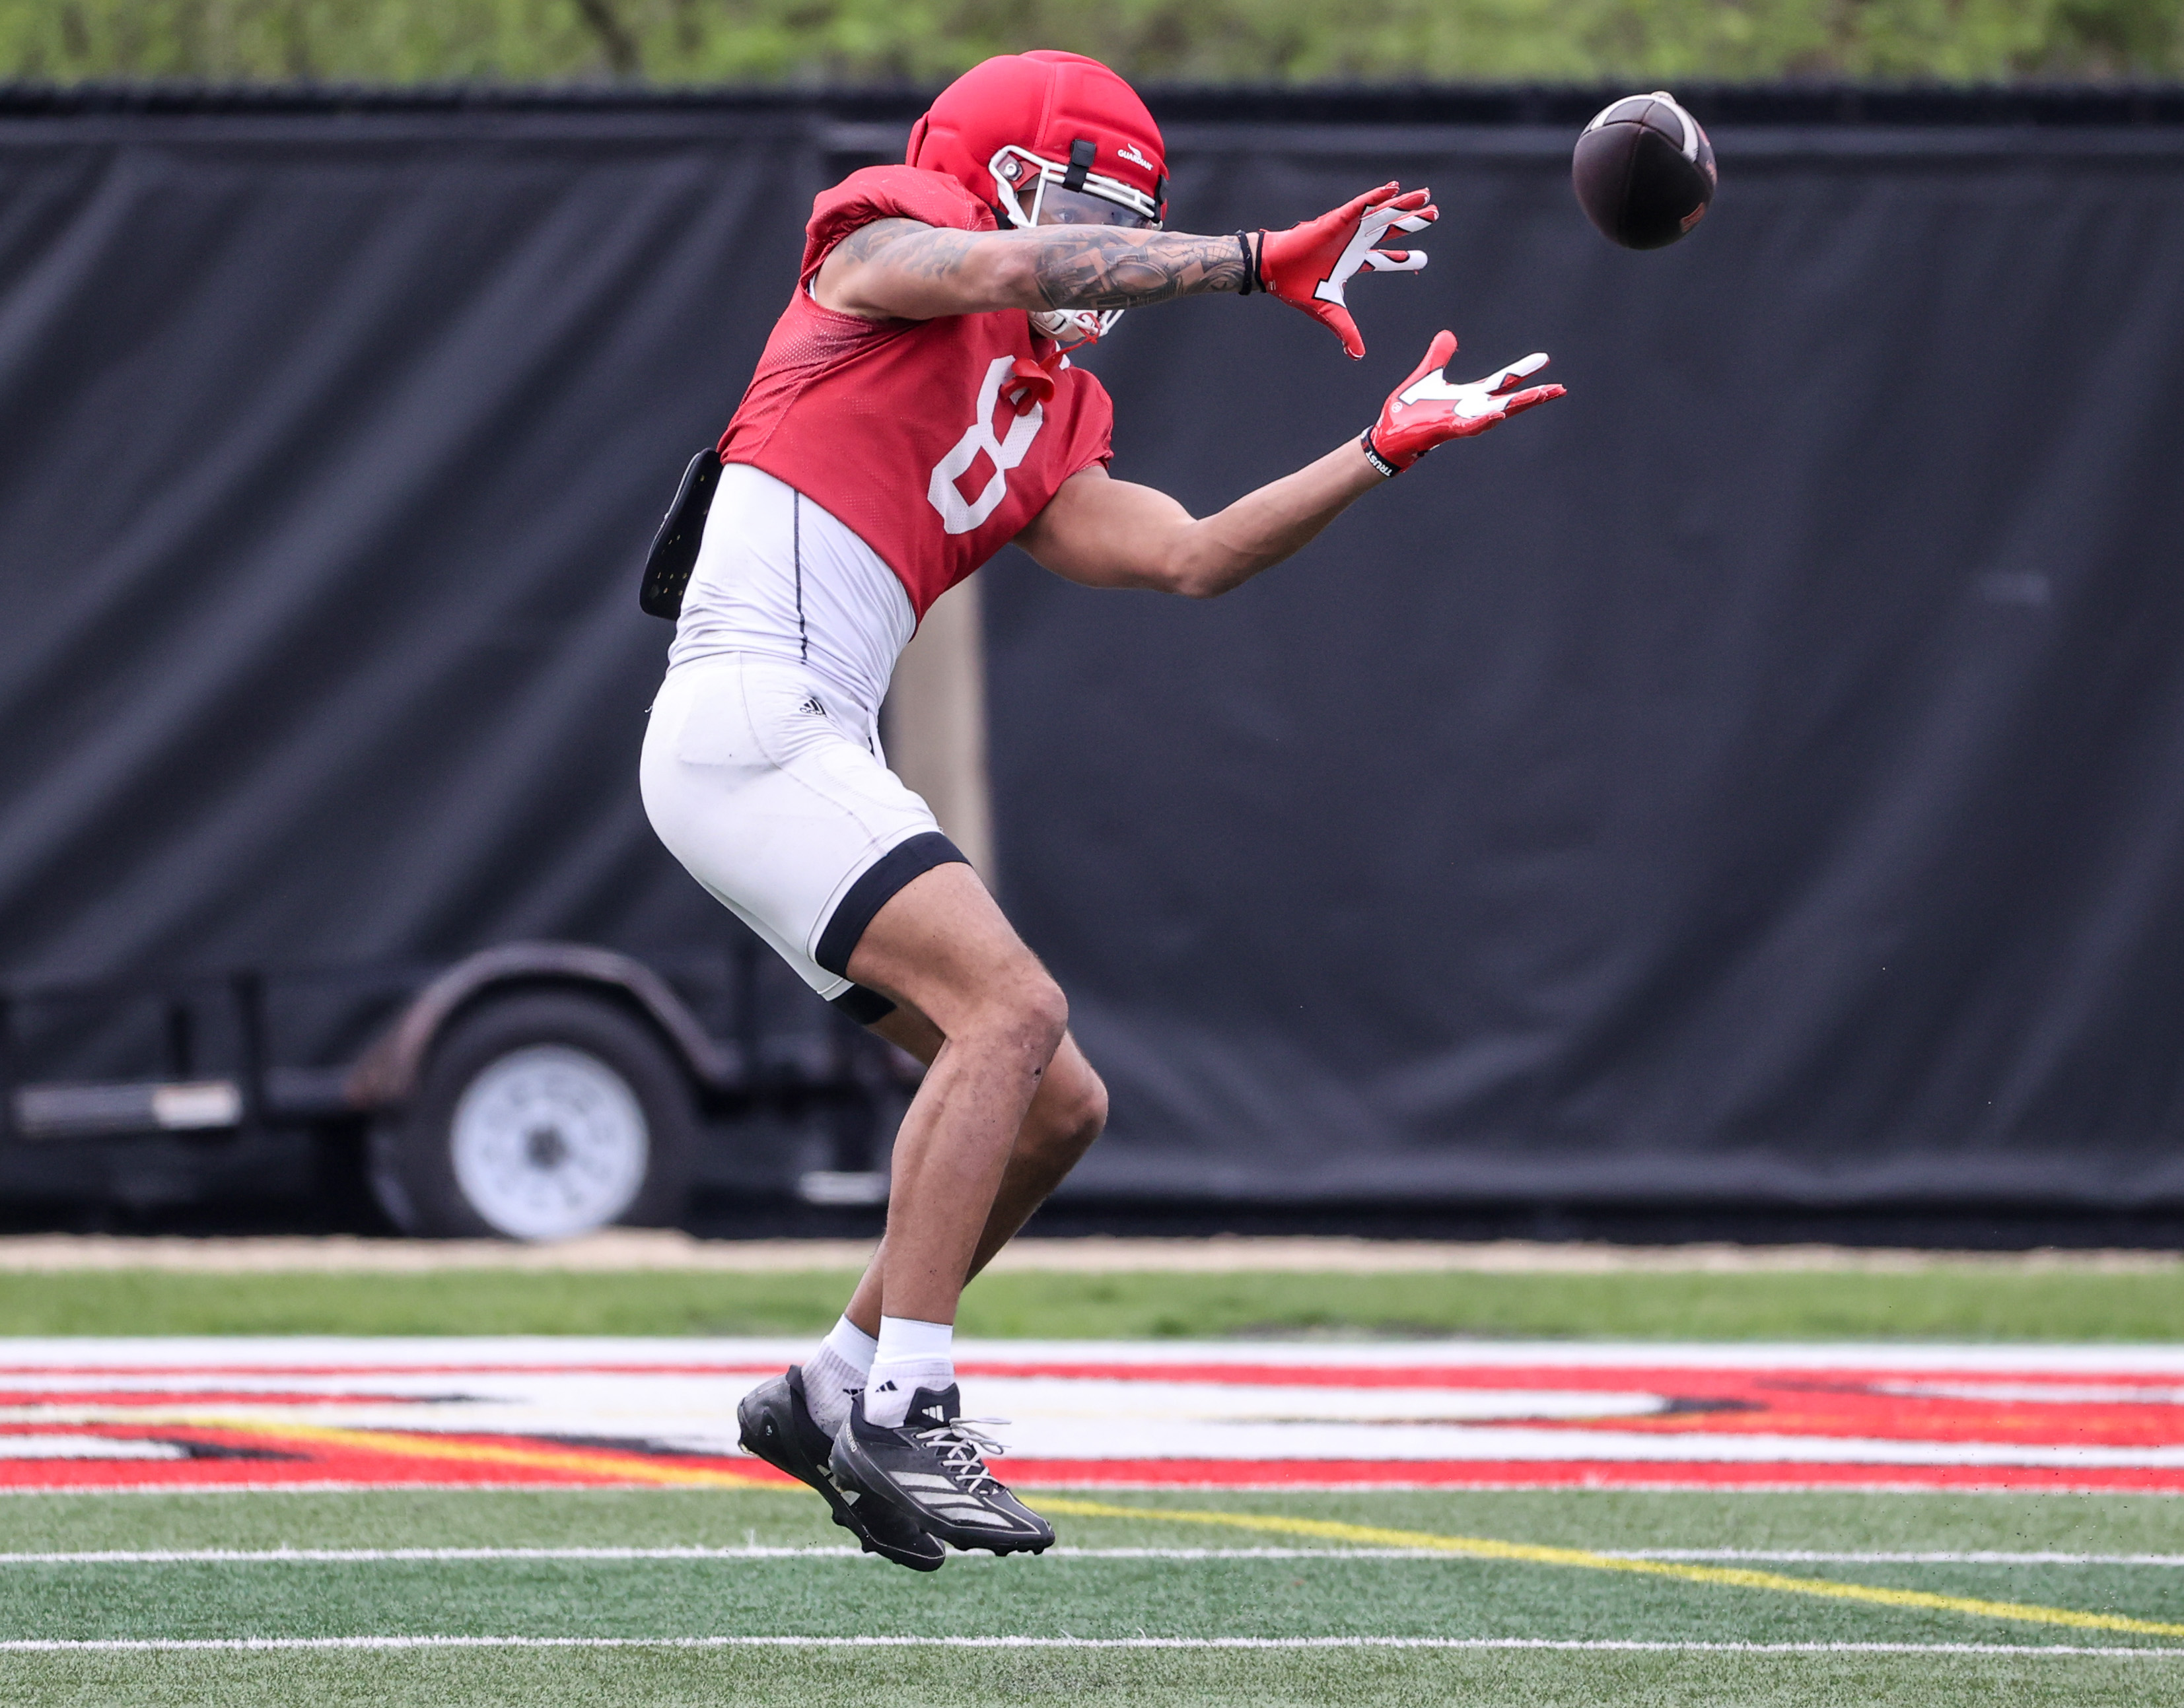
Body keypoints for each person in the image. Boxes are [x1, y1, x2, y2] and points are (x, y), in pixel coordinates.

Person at [638, 48, 1565, 1571]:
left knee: (1058, 1100)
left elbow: (1188, 554)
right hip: (753, 713)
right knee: (1010, 1009)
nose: (1107, 250)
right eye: (1088, 208)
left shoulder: (1037, 397)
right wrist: (1257, 259)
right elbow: (996, 260)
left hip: (803, 739)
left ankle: (829, 1385)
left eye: (1130, 222)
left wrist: (1381, 447)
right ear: (998, 173)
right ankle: (904, 1402)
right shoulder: (881, 240)